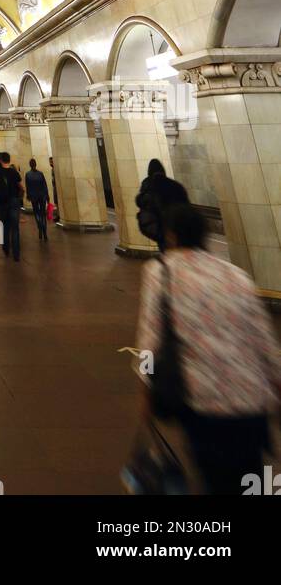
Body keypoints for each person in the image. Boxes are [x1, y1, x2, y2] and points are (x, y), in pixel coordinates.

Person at [136, 203, 281, 495]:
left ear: (171, 236)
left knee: (215, 478)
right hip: (250, 400)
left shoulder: (161, 272)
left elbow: (150, 340)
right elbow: (264, 341)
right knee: (251, 478)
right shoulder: (235, 275)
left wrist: (146, 386)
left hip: (203, 399)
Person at [136, 158, 188, 253]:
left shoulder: (148, 185)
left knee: (168, 252)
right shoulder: (175, 185)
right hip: (181, 225)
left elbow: (143, 203)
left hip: (162, 227)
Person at [0, 151, 23, 261]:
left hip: (2, 202)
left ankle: (5, 248)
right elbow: (21, 187)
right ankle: (16, 254)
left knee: (4, 225)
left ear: (1, 160)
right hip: (14, 202)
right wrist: (19, 197)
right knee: (15, 228)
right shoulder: (14, 172)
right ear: (9, 160)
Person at [25, 158, 50, 241]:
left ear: (30, 165)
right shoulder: (40, 174)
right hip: (42, 196)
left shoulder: (28, 174)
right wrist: (47, 196)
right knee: (43, 214)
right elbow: (45, 185)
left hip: (33, 197)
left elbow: (27, 186)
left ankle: (39, 228)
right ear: (36, 164)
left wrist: (28, 195)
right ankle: (45, 232)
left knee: (36, 213)